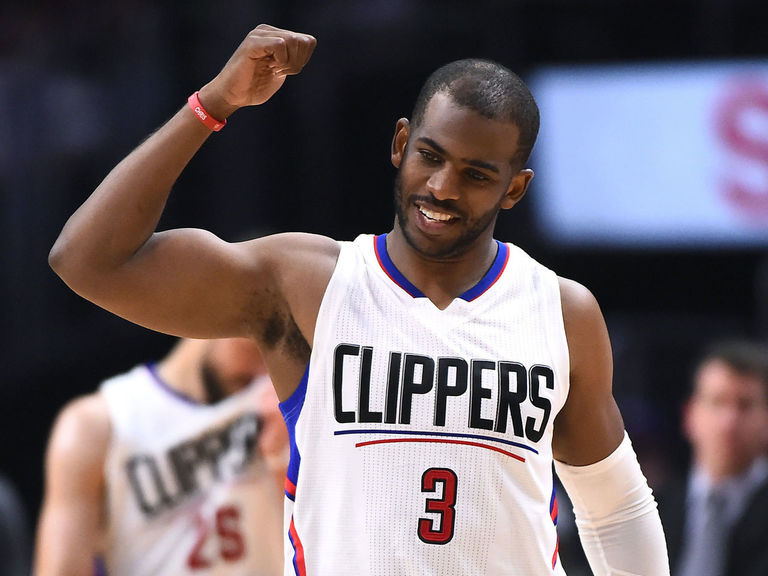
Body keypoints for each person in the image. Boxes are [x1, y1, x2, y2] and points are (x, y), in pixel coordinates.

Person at [48, 23, 669, 575]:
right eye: (430, 156)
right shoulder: (306, 280)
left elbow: (614, 509)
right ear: (401, 144)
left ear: (514, 189)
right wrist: (214, 104)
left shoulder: (561, 311)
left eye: (477, 175)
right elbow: (88, 261)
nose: (442, 187)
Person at [33, 337, 288, 576]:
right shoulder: (97, 424)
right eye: (255, 341)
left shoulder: (282, 399)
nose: (264, 366)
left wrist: (285, 460)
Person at [657, 340, 768, 576]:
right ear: (690, 415)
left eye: (745, 405)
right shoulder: (653, 509)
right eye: (717, 403)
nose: (729, 422)